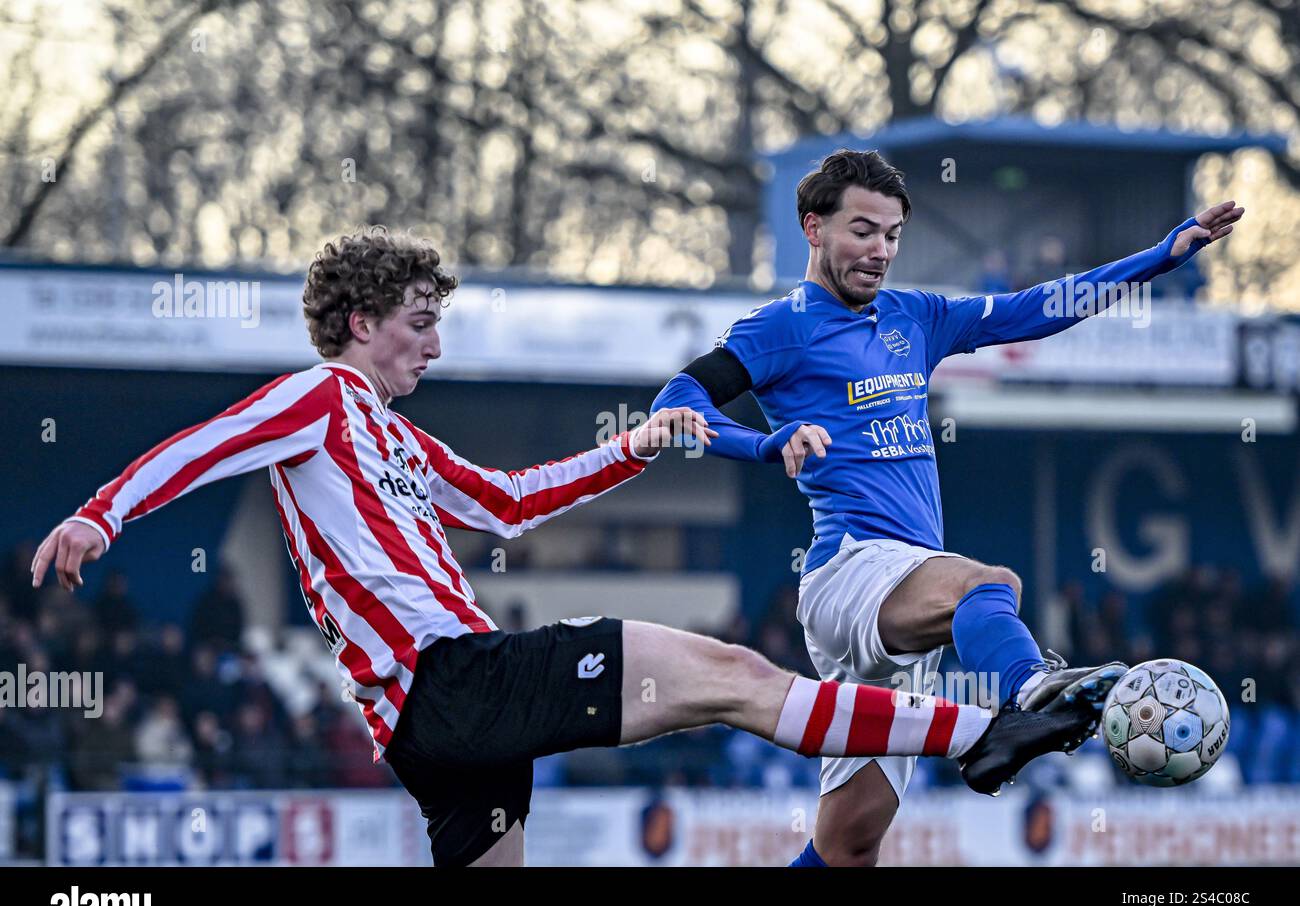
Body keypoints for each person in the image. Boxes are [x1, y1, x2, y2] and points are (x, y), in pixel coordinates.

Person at [32, 227, 1101, 867]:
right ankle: (984, 727)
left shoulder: (393, 434)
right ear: (357, 321)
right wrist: (99, 512)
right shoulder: (318, 395)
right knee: (733, 675)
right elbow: (207, 443)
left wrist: (633, 445)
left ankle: (983, 727)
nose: (434, 344)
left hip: (436, 729)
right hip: (454, 680)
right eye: (417, 322)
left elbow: (502, 501)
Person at [652, 148, 1244, 866]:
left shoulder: (917, 317)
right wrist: (764, 444)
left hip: (903, 599)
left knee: (851, 841)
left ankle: (1013, 713)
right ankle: (1028, 694)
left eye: (893, 235)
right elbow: (674, 405)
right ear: (812, 227)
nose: (880, 251)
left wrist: (1158, 258)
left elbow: (1035, 310)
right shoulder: (779, 327)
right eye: (862, 230)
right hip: (851, 572)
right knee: (988, 584)